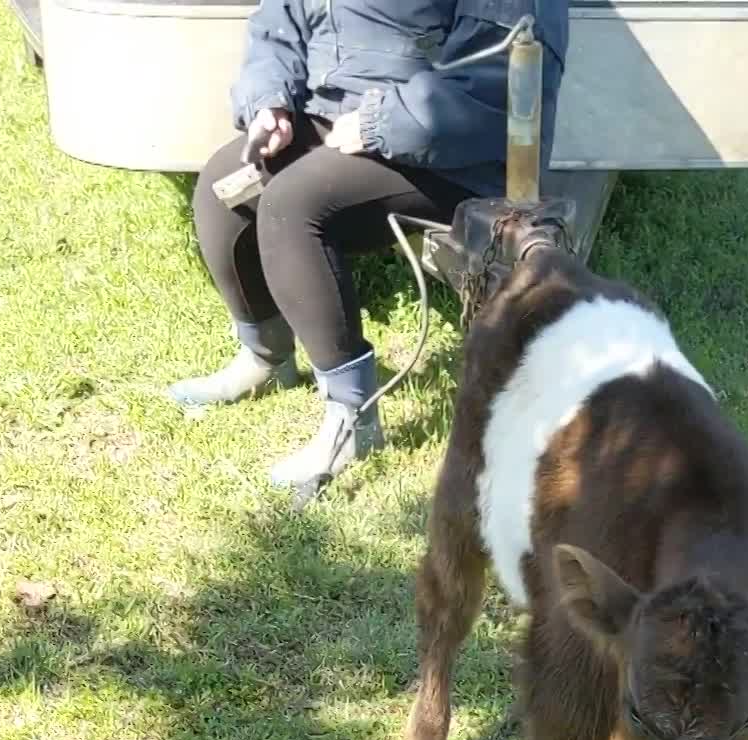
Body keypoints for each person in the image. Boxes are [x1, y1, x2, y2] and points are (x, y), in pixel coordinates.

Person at [168, 0, 568, 491]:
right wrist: (270, 98)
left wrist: (382, 122)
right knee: (224, 183)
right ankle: (267, 359)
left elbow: (497, 76)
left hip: (455, 150)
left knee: (293, 203)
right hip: (340, 117)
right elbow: (282, 17)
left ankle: (353, 420)